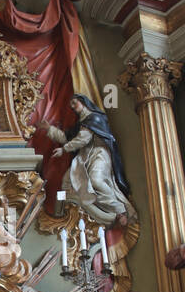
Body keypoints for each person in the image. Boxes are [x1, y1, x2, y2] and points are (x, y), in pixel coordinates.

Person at [40, 94, 130, 230]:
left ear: (84, 102)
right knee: (66, 181)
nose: (73, 108)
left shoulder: (95, 118)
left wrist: (63, 150)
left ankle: (120, 211)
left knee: (96, 180)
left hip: (99, 154)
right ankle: (65, 214)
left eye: (75, 104)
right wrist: (49, 129)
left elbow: (83, 139)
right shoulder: (81, 124)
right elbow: (66, 138)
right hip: (84, 156)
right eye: (71, 106)